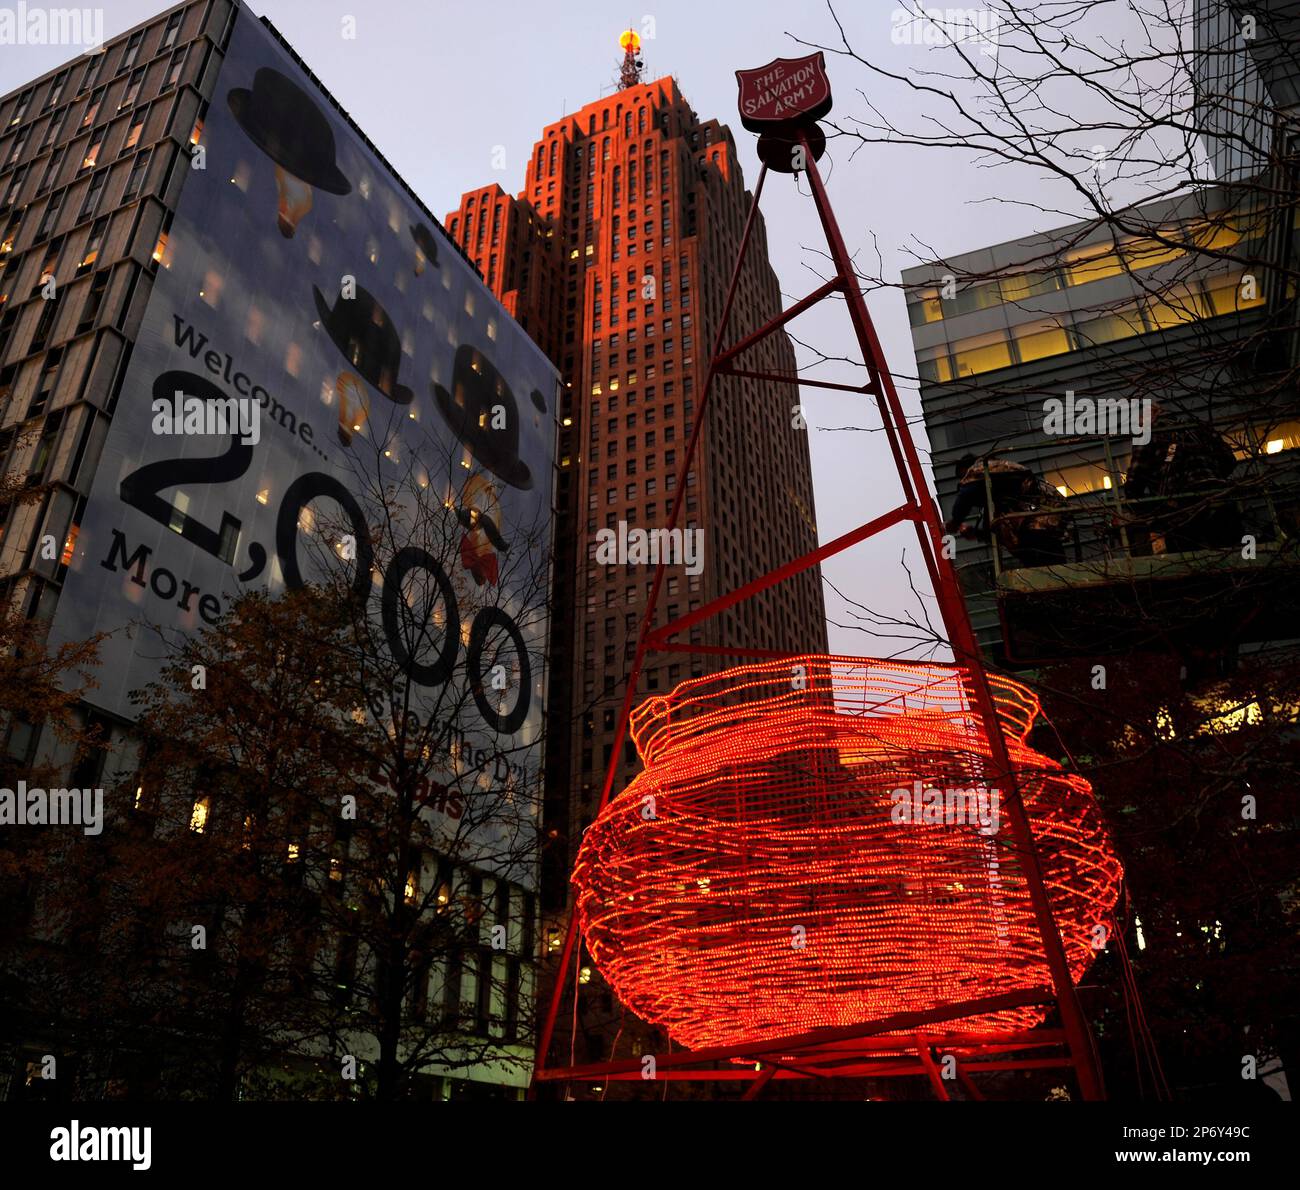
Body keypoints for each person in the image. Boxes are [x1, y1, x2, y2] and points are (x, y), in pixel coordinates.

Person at [1122, 404, 1239, 553]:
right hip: (1220, 495)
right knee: (1230, 550)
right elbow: (1229, 459)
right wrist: (1211, 475)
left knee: (1186, 554)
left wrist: (1134, 501)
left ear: (1150, 416)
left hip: (1182, 503)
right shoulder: (1198, 426)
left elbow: (1136, 477)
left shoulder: (1149, 432)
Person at [945, 454, 1067, 567]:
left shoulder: (982, 468)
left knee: (1044, 563)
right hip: (1046, 520)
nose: (964, 479)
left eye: (963, 476)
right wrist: (976, 533)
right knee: (1052, 565)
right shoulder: (999, 487)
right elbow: (992, 527)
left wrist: (955, 521)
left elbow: (967, 493)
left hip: (1037, 522)